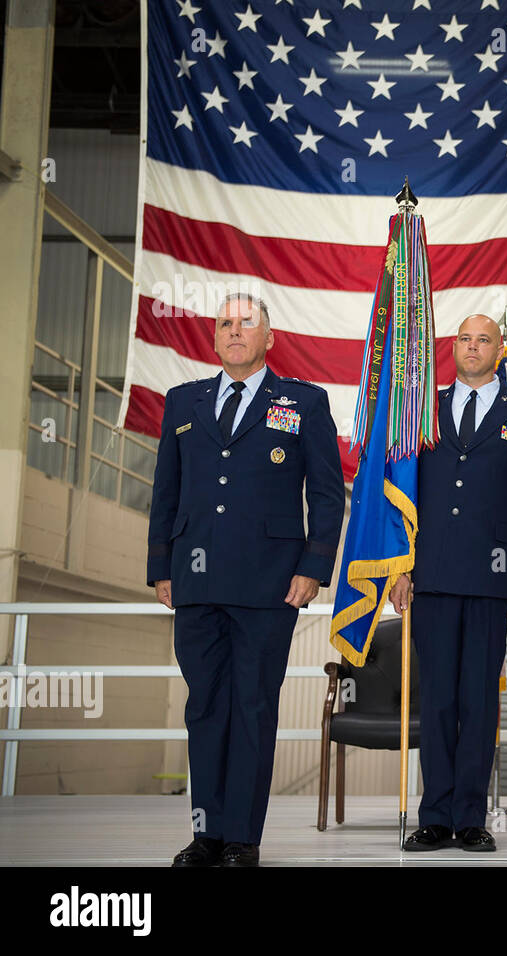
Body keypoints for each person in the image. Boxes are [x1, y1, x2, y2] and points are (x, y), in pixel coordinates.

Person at [148, 293, 345, 867]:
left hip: (271, 584)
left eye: (246, 323)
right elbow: (166, 492)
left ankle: (241, 838)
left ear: (269, 337)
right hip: (197, 582)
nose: (235, 331)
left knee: (254, 708)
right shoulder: (184, 400)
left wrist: (313, 567)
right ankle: (205, 832)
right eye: (225, 324)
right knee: (205, 706)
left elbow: (327, 495)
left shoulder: (304, 402)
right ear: (214, 338)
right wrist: (161, 566)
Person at [388, 314, 507, 853]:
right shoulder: (420, 411)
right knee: (436, 700)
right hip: (429, 572)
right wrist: (399, 566)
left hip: (493, 575)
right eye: (463, 339)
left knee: (478, 699)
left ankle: (471, 816)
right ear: (452, 347)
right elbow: (400, 490)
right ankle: (435, 816)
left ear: (502, 350)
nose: (472, 347)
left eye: (483, 340)